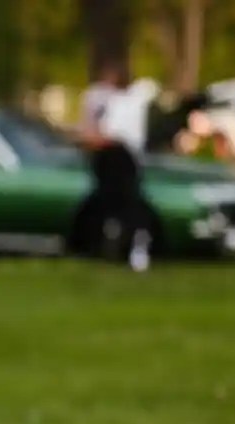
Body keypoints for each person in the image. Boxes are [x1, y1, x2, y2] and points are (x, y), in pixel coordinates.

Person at [76, 64, 155, 272]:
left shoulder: (126, 101)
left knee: (123, 204)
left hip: (120, 155)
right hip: (112, 155)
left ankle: (125, 246)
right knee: (111, 204)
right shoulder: (101, 97)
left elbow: (118, 133)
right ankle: (109, 245)